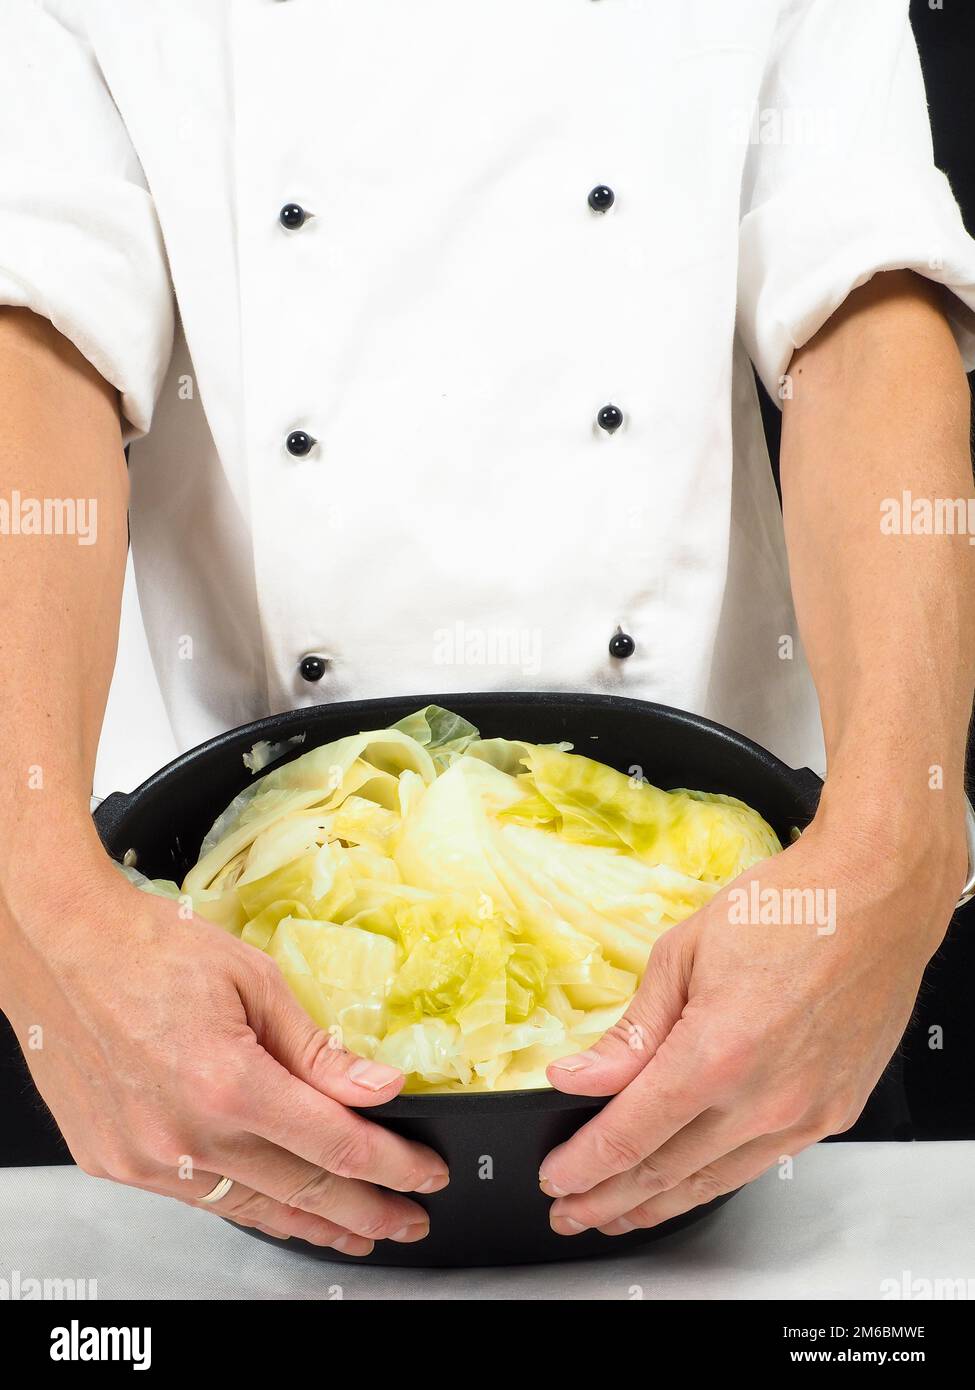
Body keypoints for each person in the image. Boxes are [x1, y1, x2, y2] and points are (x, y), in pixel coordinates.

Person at [1, 0, 973, 1257]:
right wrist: (37, 900)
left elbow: (866, 297)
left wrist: (898, 849)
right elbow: (33, 321)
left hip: (739, 982)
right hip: (206, 1019)